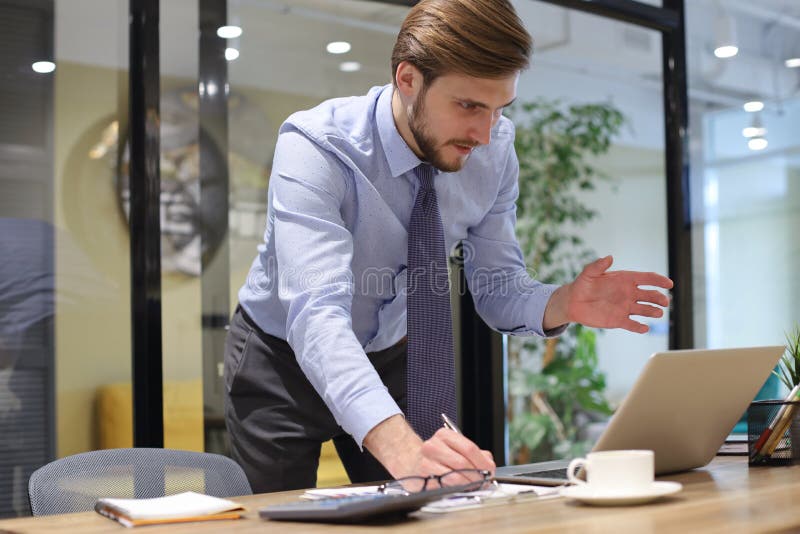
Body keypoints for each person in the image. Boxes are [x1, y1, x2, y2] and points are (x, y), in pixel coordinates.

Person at [224, 0, 673, 493]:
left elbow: (498, 285)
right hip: (282, 357)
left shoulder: (494, 150)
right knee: (279, 519)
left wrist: (562, 301)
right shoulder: (315, 147)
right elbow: (317, 315)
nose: (484, 134)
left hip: (393, 350)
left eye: (500, 109)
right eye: (469, 106)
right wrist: (402, 448)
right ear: (408, 79)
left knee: (430, 508)